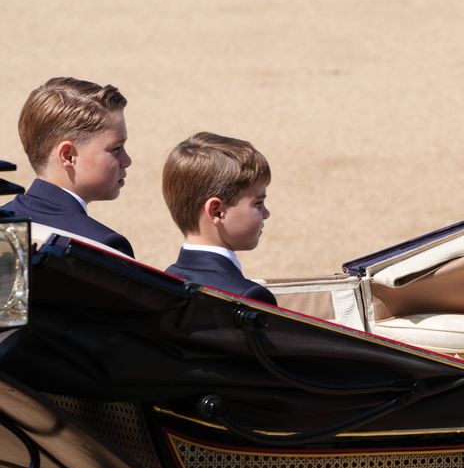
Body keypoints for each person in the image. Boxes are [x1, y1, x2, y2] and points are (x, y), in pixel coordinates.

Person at [0, 77, 133, 256]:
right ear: (68, 156)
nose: (127, 160)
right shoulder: (103, 246)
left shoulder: (5, 222)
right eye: (116, 148)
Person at [162, 132, 277, 305]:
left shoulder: (162, 284)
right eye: (258, 203)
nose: (266, 213)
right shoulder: (248, 297)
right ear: (217, 212)